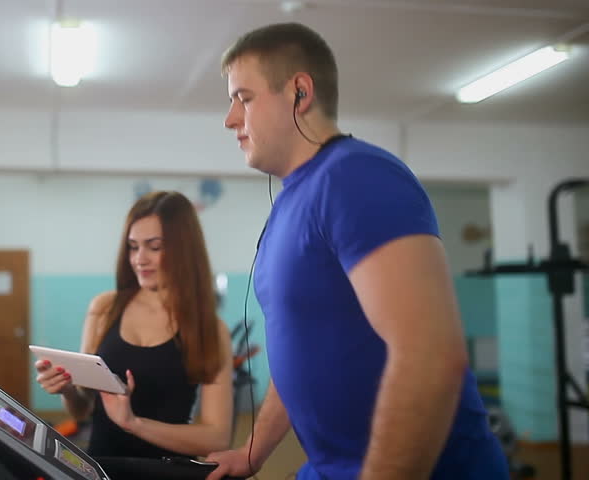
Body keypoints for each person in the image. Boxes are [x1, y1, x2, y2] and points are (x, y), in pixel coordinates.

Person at [205, 23, 509, 480]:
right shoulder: (288, 204)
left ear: (299, 93)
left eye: (243, 99)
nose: (230, 118)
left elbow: (429, 357)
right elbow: (301, 354)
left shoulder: (354, 176)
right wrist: (252, 451)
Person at [36, 190, 234, 460]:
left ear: (184, 249)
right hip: (104, 467)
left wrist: (134, 424)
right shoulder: (104, 308)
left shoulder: (210, 329)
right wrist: (67, 389)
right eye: (133, 246)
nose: (140, 259)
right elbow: (82, 410)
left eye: (154, 247)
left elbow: (217, 438)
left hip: (167, 472)